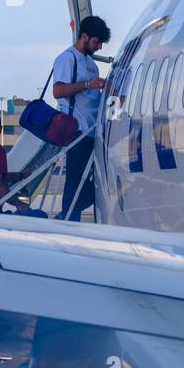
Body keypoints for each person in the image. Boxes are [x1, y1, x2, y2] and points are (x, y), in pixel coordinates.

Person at [51, 15, 111, 221]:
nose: (99, 47)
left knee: (95, 182)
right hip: (75, 130)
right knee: (76, 180)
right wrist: (87, 85)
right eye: (96, 42)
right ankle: (68, 217)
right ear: (84, 37)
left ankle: (68, 214)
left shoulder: (90, 64)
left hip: (92, 130)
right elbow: (58, 91)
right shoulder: (67, 58)